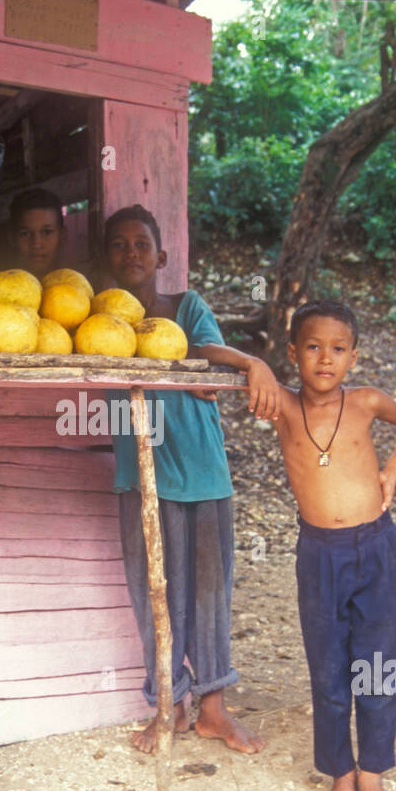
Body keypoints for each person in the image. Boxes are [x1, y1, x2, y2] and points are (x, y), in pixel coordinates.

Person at [103, 204, 279, 755]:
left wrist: (251, 363)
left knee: (209, 594)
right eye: (119, 245)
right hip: (143, 480)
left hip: (202, 475)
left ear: (162, 255)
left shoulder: (186, 307)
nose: (131, 253)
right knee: (153, 593)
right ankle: (167, 707)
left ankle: (213, 710)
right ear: (107, 257)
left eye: (141, 244)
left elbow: (204, 352)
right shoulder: (102, 323)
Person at [268, 300, 396, 791]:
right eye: (312, 347)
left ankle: (374, 778)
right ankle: (340, 772)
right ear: (293, 353)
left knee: (378, 665)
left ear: (353, 357)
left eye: (338, 349)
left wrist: (393, 469)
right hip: (319, 554)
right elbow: (212, 361)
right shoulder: (282, 406)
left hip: (375, 548)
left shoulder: (365, 402)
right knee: (330, 668)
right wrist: (253, 366)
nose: (324, 359)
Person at [7, 188, 66, 278]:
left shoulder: (81, 289)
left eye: (47, 232)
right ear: (11, 237)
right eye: (25, 233)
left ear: (63, 235)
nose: (36, 244)